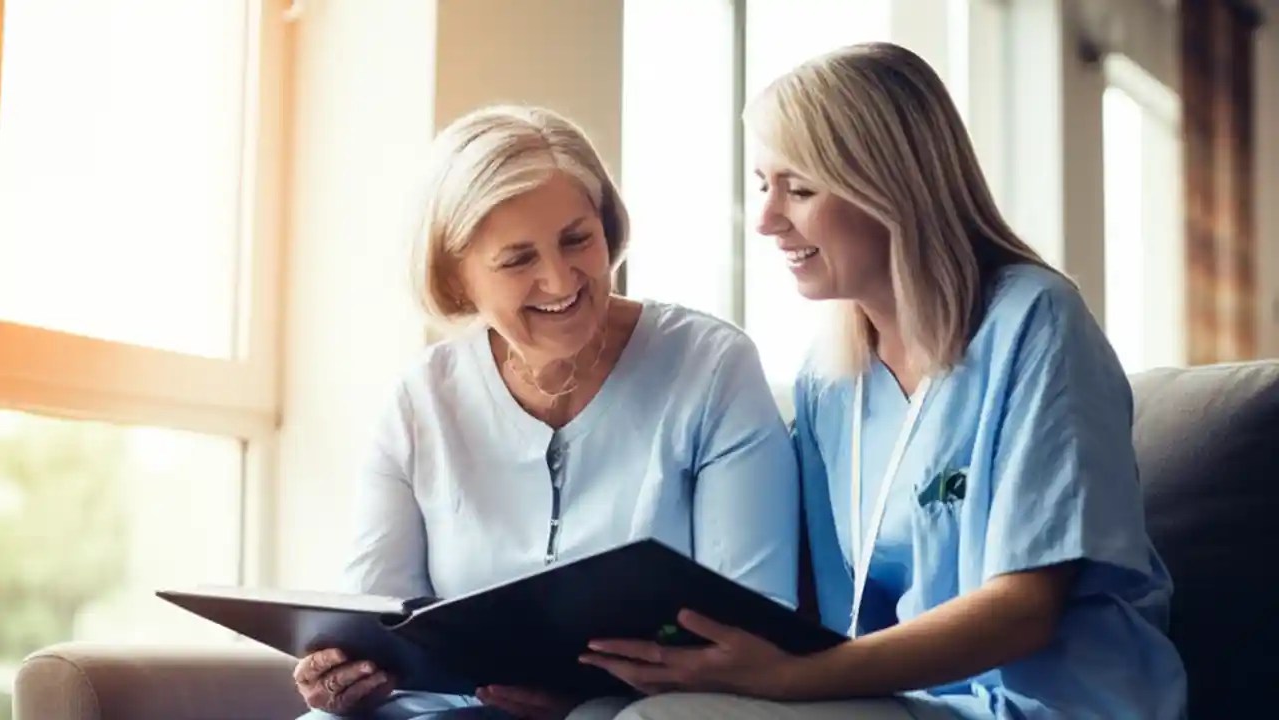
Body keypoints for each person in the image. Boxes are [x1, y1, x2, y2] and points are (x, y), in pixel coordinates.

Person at [578, 42, 1188, 720]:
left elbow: (1023, 612)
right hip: (894, 701)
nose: (767, 219)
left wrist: (787, 683)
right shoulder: (830, 379)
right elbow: (796, 589)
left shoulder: (1034, 322)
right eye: (763, 184)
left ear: (891, 187)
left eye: (800, 189)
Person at [293, 105, 799, 720]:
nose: (561, 281)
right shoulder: (420, 399)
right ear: (457, 278)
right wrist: (344, 676)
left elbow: (753, 625)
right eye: (517, 260)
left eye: (577, 239)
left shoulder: (711, 366)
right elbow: (375, 616)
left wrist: (587, 701)